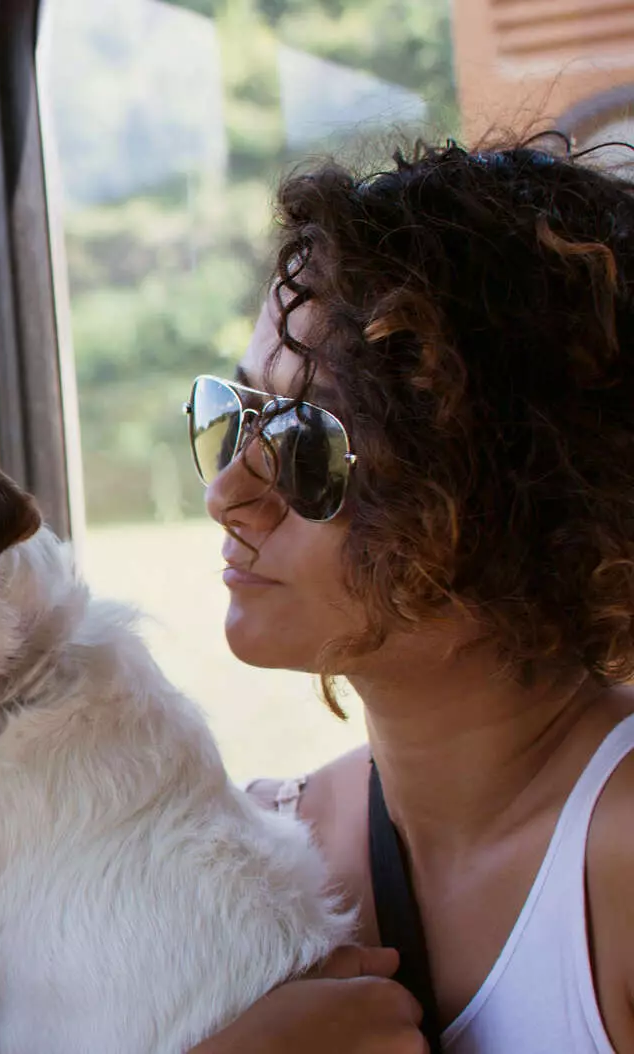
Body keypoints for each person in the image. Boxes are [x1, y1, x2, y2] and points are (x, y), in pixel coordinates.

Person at [188, 137, 634, 1053]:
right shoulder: (265, 849)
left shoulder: (619, 864)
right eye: (234, 415)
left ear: (511, 497)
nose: (226, 494)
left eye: (307, 445)